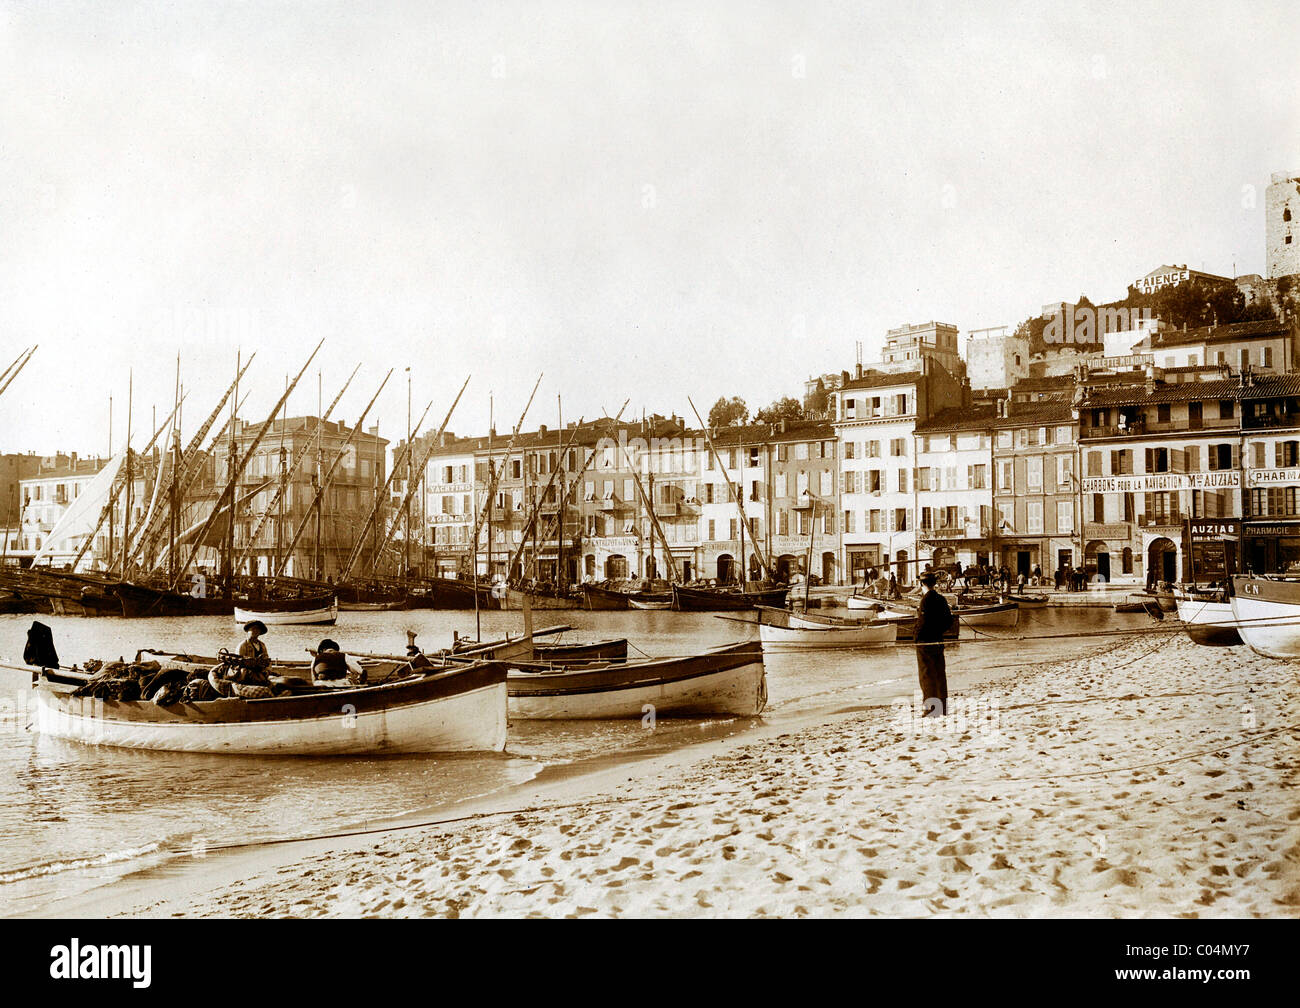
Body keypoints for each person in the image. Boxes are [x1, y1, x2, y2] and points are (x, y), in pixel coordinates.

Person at [915, 571, 953, 717]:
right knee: (939, 674)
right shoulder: (941, 599)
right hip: (938, 640)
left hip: (925, 643)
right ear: (934, 583)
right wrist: (939, 631)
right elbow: (949, 621)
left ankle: (930, 708)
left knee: (926, 675)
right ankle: (942, 708)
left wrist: (916, 637)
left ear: (921, 584)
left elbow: (923, 623)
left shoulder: (925, 600)